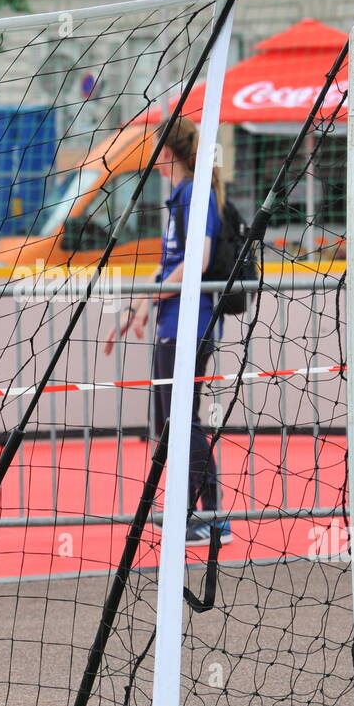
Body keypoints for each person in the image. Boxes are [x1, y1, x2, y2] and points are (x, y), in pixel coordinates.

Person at [104, 116, 227, 545]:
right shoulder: (179, 194)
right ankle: (193, 511)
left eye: (155, 148)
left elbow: (199, 261)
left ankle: (213, 516)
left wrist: (148, 300)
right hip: (174, 320)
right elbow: (171, 264)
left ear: (168, 153)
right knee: (167, 420)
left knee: (179, 420)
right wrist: (138, 308)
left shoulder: (195, 192)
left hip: (191, 322)